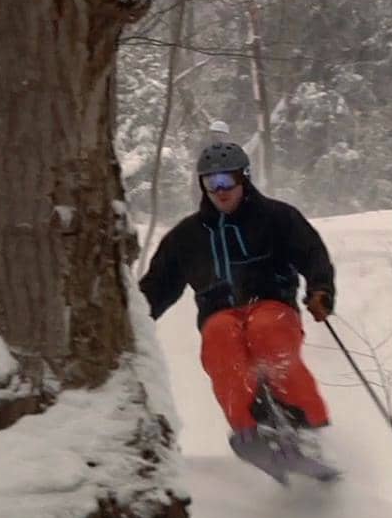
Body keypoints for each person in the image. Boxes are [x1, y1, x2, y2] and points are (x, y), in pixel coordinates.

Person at [139, 142, 336, 468]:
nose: (220, 190)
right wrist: (134, 321)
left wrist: (321, 290)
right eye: (210, 182)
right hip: (218, 312)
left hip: (271, 302)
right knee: (220, 340)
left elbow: (312, 254)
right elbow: (158, 286)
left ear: (243, 178)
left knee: (266, 331)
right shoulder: (187, 236)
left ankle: (306, 427)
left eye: (226, 181)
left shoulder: (277, 217)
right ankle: (250, 430)